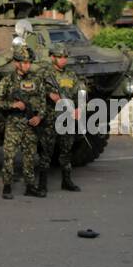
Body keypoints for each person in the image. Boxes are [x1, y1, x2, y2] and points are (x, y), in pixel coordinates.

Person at [0, 45, 46, 199]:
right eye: (24, 62)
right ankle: (7, 186)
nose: (27, 65)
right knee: (9, 156)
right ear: (16, 63)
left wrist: (39, 117)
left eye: (29, 62)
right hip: (14, 124)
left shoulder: (36, 80)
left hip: (31, 124)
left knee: (30, 156)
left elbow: (42, 101)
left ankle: (30, 186)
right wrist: (13, 105)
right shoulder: (7, 81)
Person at [41, 43, 82, 192]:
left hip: (67, 118)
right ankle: (42, 184)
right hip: (50, 118)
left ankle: (67, 181)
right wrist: (48, 94)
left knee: (66, 151)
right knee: (47, 152)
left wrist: (79, 108)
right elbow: (33, 89)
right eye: (60, 57)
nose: (63, 60)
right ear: (52, 57)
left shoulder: (71, 74)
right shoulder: (44, 74)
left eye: (65, 57)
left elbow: (81, 91)